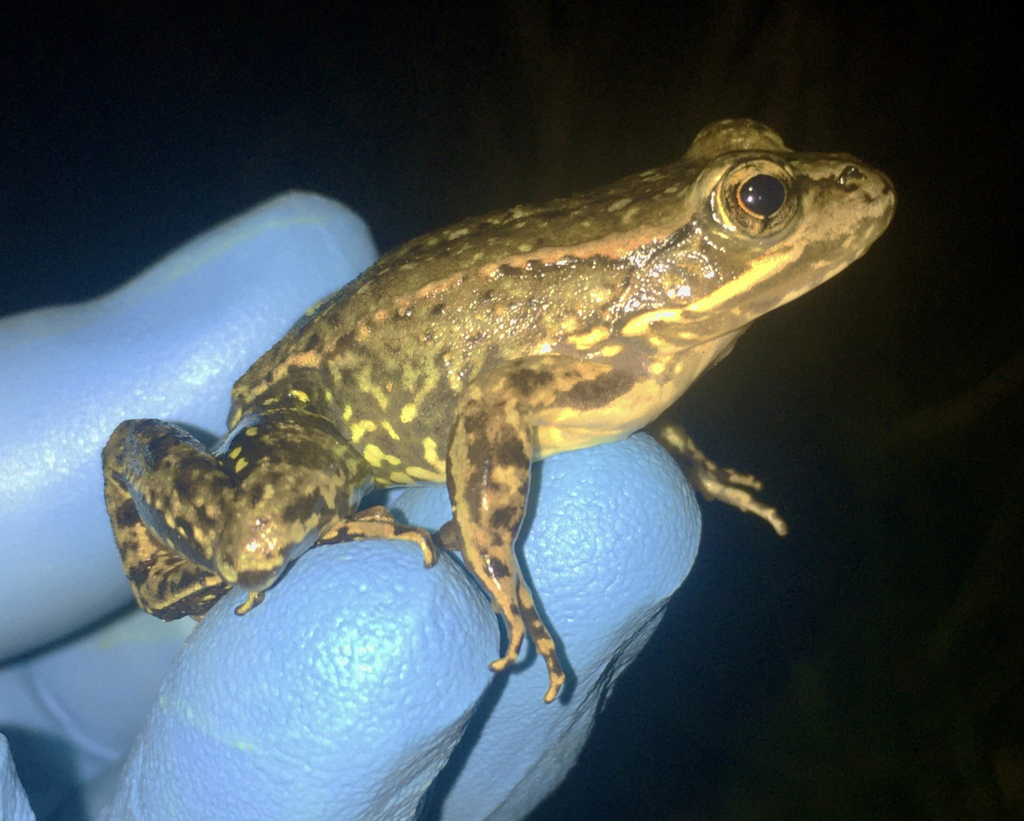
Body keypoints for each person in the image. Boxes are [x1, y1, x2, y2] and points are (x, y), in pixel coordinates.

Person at [0, 193, 699, 820]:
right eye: (757, 199)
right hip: (307, 413)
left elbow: (592, 397)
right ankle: (164, 578)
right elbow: (496, 403)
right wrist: (498, 558)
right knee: (256, 539)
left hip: (351, 391)